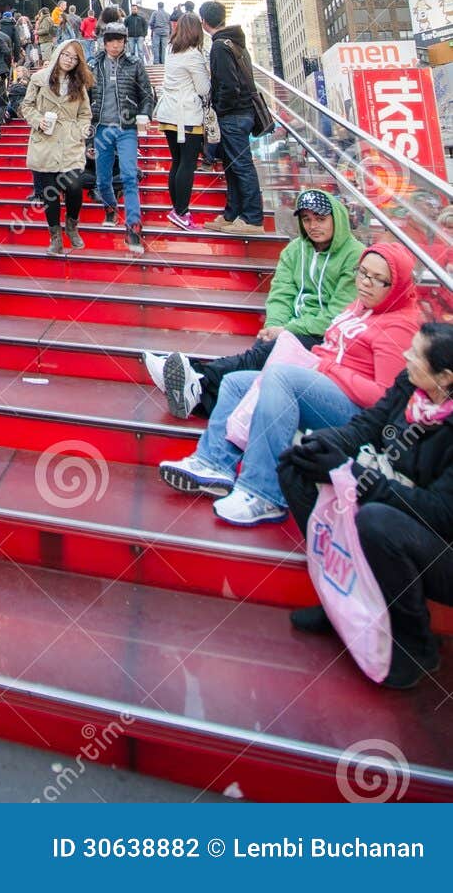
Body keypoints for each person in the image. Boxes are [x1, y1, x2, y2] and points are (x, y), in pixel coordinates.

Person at [159, 243, 423, 525]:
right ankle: (214, 463)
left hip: (354, 411)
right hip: (322, 382)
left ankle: (263, 493)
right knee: (236, 383)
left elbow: (384, 397)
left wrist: (327, 367)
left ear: (397, 285)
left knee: (281, 377)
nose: (365, 283)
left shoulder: (400, 326)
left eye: (379, 279)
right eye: (362, 273)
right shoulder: (360, 305)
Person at [278, 318, 453, 690]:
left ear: (445, 377)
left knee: (377, 521)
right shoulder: (411, 385)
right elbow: (367, 426)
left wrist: (353, 473)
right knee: (296, 467)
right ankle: (343, 599)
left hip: (441, 546)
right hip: (394, 491)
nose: (405, 356)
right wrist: (323, 444)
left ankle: (416, 644)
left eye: (415, 354)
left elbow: (440, 513)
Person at [145, 189, 364, 418]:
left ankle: (198, 377)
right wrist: (275, 326)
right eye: (306, 219)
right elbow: (281, 294)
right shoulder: (294, 250)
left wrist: (286, 331)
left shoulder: (354, 255)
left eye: (320, 219)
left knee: (260, 357)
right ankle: (198, 397)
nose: (313, 226)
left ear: (336, 218)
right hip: (289, 328)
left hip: (325, 336)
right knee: (263, 357)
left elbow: (337, 314)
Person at [198, 0, 265, 235]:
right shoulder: (235, 42)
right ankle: (232, 214)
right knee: (233, 166)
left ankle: (253, 219)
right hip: (243, 113)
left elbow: (228, 85)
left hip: (233, 115)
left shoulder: (220, 46)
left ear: (204, 22)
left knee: (241, 166)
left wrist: (219, 109)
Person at [22, 41, 94, 256]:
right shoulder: (39, 79)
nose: (69, 60)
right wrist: (38, 121)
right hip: (45, 140)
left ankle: (72, 224)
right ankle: (55, 237)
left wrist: (80, 131)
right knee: (50, 193)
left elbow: (85, 113)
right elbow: (26, 106)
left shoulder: (78, 83)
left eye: (74, 58)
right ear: (58, 54)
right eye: (66, 55)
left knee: (74, 185)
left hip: (70, 141)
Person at [89, 22, 154, 255]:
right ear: (104, 42)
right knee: (102, 180)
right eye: (112, 41)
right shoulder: (94, 64)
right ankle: (110, 208)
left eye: (120, 41)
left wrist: (145, 113)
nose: (116, 45)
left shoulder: (135, 63)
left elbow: (147, 94)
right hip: (101, 127)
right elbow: (85, 96)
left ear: (125, 42)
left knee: (129, 175)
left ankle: (133, 226)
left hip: (127, 127)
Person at [153, 11, 210, 230]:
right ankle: (182, 212)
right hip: (186, 114)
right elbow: (203, 88)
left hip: (169, 112)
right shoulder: (193, 55)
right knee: (187, 163)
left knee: (177, 161)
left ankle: (177, 209)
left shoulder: (171, 49)